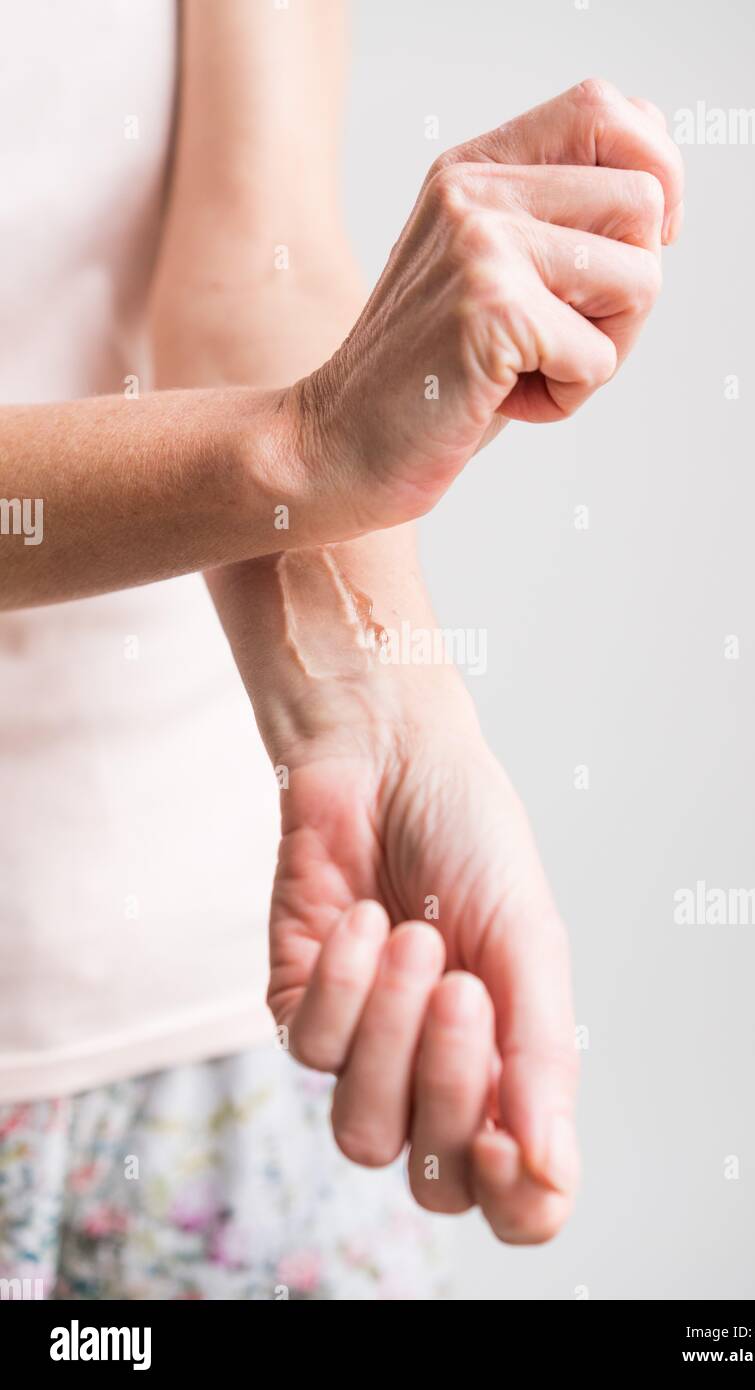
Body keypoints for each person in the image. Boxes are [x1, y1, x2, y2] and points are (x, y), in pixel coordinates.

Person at [0, 1, 683, 1299]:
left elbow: (251, 250)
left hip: (224, 1028)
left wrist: (381, 724)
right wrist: (294, 443)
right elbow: (297, 431)